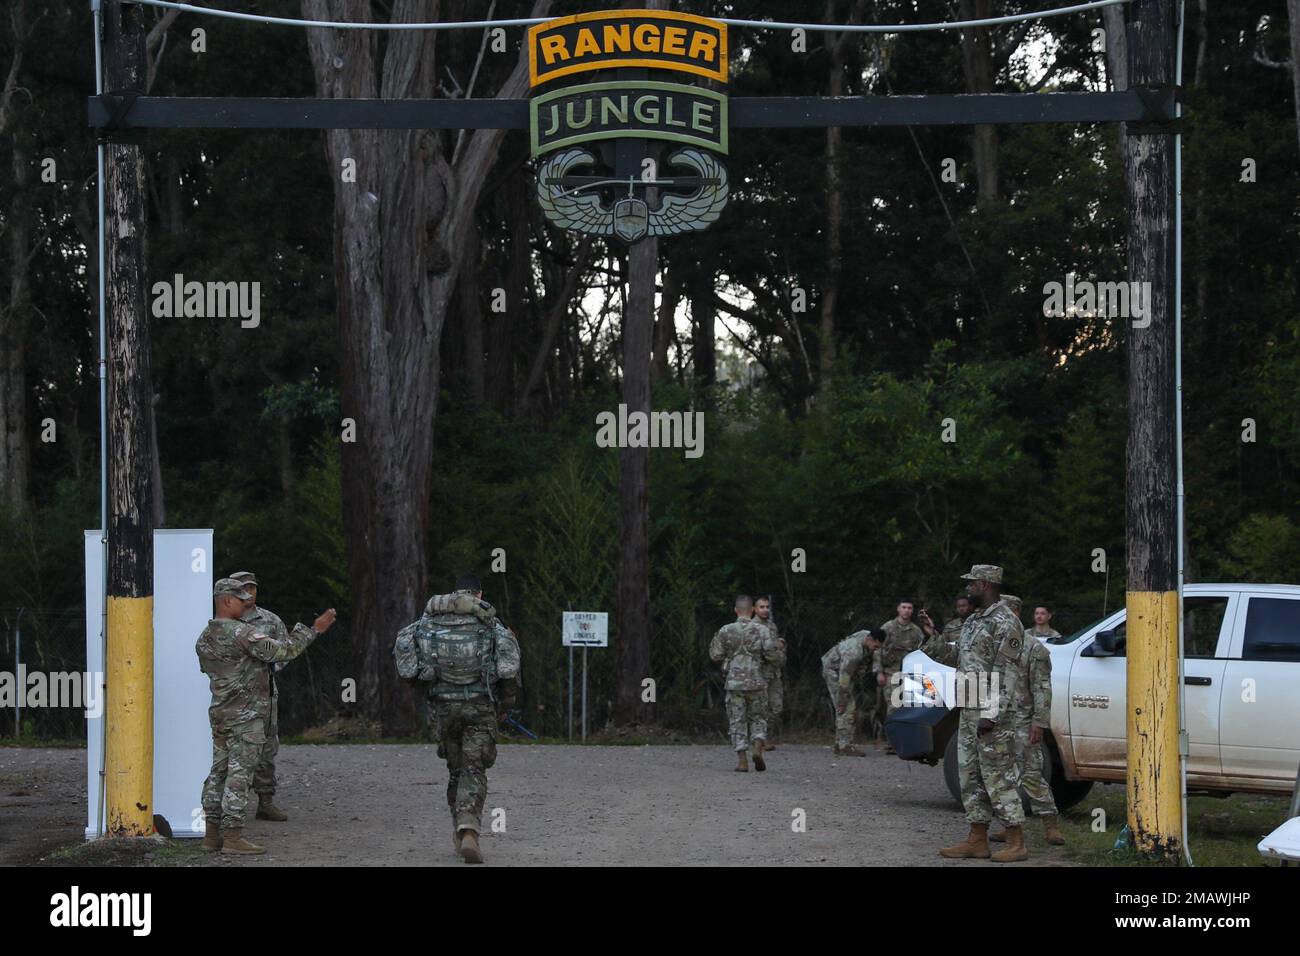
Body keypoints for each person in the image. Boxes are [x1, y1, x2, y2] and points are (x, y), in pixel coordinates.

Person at [196, 577, 334, 855]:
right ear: (226, 601)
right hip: (247, 716)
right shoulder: (243, 634)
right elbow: (285, 651)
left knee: (218, 773)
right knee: (240, 774)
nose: (246, 605)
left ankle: (211, 835)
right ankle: (233, 836)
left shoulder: (205, 637)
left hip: (221, 713)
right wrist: (314, 630)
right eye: (240, 600)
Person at [420, 574, 520, 864]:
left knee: (455, 769)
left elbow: (411, 668)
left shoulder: (429, 623)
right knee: (473, 768)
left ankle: (459, 830)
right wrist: (506, 704)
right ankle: (469, 830)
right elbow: (508, 670)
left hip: (443, 708)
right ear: (478, 594)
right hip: (479, 705)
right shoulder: (490, 623)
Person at [938, 565, 1033, 863]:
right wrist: (931, 637)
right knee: (970, 775)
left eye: (971, 584)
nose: (968, 590)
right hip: (969, 707)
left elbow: (1006, 672)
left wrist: (990, 714)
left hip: (991, 713)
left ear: (984, 584)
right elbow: (960, 658)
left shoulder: (1006, 622)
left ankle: (1016, 841)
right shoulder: (974, 621)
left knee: (997, 776)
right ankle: (977, 840)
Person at [990, 595, 1065, 847]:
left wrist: (1039, 722)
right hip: (1001, 721)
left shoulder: (1034, 648)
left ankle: (1050, 824)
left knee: (1031, 773)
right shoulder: (1001, 645)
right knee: (1003, 776)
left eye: (1004, 612)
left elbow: (1043, 688)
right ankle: (1011, 825)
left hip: (1024, 722)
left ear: (1015, 613)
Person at [228, 570, 292, 823]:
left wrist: (265, 664)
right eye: (244, 588)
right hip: (231, 695)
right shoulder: (224, 620)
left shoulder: (270, 620)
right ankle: (229, 806)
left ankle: (265, 801)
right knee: (232, 749)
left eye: (252, 587)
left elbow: (285, 650)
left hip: (264, 694)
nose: (249, 592)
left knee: (266, 747)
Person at [709, 595, 781, 772]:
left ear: (735, 610)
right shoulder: (762, 630)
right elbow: (772, 656)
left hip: (734, 683)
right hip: (757, 681)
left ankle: (742, 761)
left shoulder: (725, 630)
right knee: (758, 717)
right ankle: (757, 748)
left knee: (737, 720)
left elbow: (715, 655)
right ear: (752, 610)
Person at [821, 628, 883, 757]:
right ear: (870, 640)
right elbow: (844, 680)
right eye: (875, 646)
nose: (875, 649)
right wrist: (841, 700)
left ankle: (840, 744)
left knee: (849, 705)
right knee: (847, 707)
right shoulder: (853, 653)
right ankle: (844, 746)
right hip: (834, 671)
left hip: (843, 669)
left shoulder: (866, 635)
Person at [873, 601, 925, 750]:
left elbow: (920, 653)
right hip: (891, 673)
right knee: (893, 707)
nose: (907, 610)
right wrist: (879, 672)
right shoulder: (888, 627)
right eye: (904, 607)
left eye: (909, 608)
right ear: (898, 609)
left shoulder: (916, 631)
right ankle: (892, 742)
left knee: (909, 707)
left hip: (909, 674)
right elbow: (877, 649)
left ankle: (905, 741)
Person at [753, 596, 786, 749]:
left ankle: (764, 737)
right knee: (761, 707)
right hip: (760, 673)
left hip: (774, 673)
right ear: (754, 609)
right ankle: (759, 740)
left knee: (776, 706)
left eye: (767, 607)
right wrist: (776, 648)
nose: (765, 610)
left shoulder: (771, 626)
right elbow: (763, 650)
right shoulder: (753, 627)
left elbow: (776, 648)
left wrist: (780, 648)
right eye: (761, 607)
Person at [917, 596, 973, 666]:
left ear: (971, 606)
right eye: (958, 606)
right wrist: (931, 633)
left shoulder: (979, 624)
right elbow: (944, 648)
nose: (961, 609)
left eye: (964, 606)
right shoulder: (950, 626)